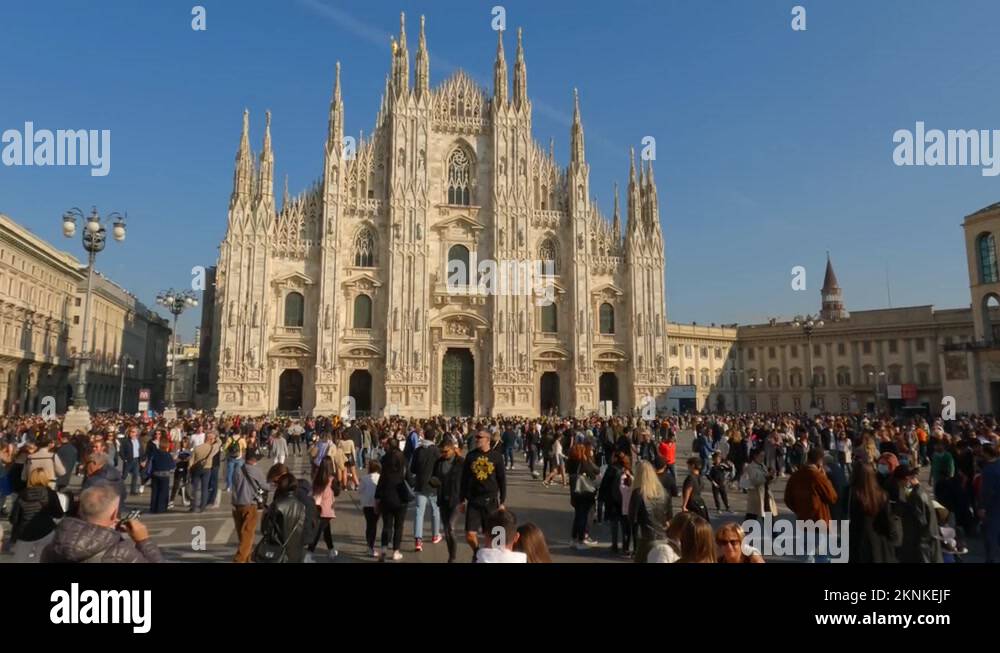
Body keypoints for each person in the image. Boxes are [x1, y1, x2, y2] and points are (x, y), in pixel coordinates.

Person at [41, 483, 163, 563]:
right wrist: (144, 541)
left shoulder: (53, 546)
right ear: (114, 514)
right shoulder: (122, 552)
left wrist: (107, 533)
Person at [460, 429, 507, 561]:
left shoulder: (496, 456)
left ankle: (491, 557)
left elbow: (502, 479)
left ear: (487, 439)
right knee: (469, 534)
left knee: (491, 534)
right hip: (474, 500)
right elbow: (464, 479)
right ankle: (477, 552)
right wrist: (461, 500)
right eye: (476, 437)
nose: (477, 439)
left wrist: (502, 502)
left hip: (490, 500)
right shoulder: (470, 456)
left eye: (480, 437)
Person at [785, 447, 839, 562]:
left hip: (803, 520)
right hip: (819, 520)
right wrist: (825, 478)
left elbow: (788, 499)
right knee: (821, 556)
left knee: (807, 556)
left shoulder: (796, 476)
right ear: (820, 461)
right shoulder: (818, 476)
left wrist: (799, 510)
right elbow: (832, 497)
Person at [8, 467, 64, 562]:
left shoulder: (22, 494)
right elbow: (59, 514)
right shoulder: (50, 494)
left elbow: (14, 519)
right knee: (41, 558)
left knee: (20, 559)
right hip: (46, 531)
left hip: (25, 533)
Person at [847, 461, 898, 563]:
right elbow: (889, 522)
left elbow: (852, 522)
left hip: (859, 543)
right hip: (880, 543)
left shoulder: (854, 495)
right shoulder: (883, 495)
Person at [255, 465, 307, 563]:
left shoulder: (277, 505)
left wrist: (265, 514)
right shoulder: (301, 505)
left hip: (279, 548)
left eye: (276, 482)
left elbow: (266, 529)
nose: (275, 484)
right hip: (296, 549)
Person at [892, 465, 943, 563]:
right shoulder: (920, 492)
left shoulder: (916, 496)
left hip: (922, 549)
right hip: (926, 545)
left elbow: (921, 525)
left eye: (899, 482)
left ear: (906, 479)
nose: (899, 485)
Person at [375, 439, 410, 561]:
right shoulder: (403, 461)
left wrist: (377, 498)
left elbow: (380, 483)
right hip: (401, 496)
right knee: (399, 526)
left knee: (387, 525)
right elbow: (410, 479)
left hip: (386, 496)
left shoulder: (385, 463)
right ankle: (396, 551)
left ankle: (384, 548)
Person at [629, 460, 671, 563]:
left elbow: (632, 518)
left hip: (646, 537)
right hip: (663, 536)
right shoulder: (663, 492)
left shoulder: (638, 493)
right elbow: (669, 516)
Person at [231, 450, 269, 563]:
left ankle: (247, 558)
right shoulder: (255, 470)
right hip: (250, 504)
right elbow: (265, 486)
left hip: (237, 504)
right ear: (253, 459)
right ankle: (240, 559)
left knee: (241, 535)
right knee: (248, 534)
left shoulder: (238, 469)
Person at [432, 436, 464, 563]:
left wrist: (466, 498)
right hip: (442, 498)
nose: (443, 454)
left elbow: (467, 480)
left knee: (450, 527)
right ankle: (450, 554)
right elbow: (434, 477)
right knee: (446, 530)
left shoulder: (461, 462)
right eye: (442, 451)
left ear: (452, 449)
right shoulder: (439, 462)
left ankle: (453, 558)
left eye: (446, 451)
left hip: (456, 499)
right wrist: (433, 482)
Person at [410, 430, 441, 552]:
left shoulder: (418, 450)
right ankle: (435, 535)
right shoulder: (436, 451)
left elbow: (412, 469)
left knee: (419, 512)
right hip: (433, 484)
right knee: (435, 510)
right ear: (434, 436)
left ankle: (418, 539)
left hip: (420, 483)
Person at [567, 442, 601, 550]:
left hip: (575, 492)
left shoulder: (571, 462)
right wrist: (588, 459)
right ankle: (581, 540)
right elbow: (593, 472)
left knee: (577, 516)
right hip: (584, 492)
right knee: (583, 516)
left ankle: (573, 539)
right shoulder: (582, 462)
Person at [599, 450, 632, 557]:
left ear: (616, 458)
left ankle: (614, 545)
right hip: (625, 500)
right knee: (624, 525)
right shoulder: (628, 470)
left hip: (612, 500)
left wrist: (601, 497)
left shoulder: (611, 469)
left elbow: (604, 484)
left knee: (614, 524)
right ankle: (625, 546)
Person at [309, 456, 339, 559]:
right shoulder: (332, 479)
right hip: (327, 509)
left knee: (326, 530)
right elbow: (337, 492)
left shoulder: (317, 477)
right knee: (318, 532)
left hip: (316, 507)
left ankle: (331, 550)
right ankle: (309, 553)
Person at [189, 432, 221, 513]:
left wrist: (189, 469)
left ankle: (193, 506)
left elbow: (191, 460)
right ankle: (202, 506)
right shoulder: (213, 448)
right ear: (210, 440)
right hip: (207, 468)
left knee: (195, 488)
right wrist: (216, 437)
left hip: (196, 469)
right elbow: (219, 443)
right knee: (205, 488)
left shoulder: (197, 448)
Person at [742, 447, 777, 522]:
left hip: (765, 494)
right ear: (755, 456)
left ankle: (773, 533)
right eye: (761, 456)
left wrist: (772, 476)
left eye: (763, 456)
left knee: (767, 515)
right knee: (751, 517)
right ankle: (741, 533)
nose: (762, 458)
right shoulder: (751, 467)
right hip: (756, 496)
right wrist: (767, 476)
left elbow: (767, 480)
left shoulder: (762, 465)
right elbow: (755, 480)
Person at [978, 445, 1000, 563]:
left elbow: (987, 491)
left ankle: (991, 559)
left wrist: (982, 507)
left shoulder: (988, 470)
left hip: (992, 506)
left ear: (987, 453)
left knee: (991, 534)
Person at [146, 436, 175, 514]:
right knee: (163, 492)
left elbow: (151, 463)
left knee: (155, 491)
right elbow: (172, 466)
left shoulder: (155, 453)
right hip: (165, 475)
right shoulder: (168, 455)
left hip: (155, 474)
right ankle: (161, 508)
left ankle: (153, 507)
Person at [359, 460, 381, 558]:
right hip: (376, 504)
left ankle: (369, 545)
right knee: (374, 525)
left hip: (366, 504)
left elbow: (360, 490)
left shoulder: (364, 478)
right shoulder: (380, 478)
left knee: (369, 524)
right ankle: (370, 547)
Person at [681, 456, 711, 522]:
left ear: (693, 465)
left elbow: (688, 491)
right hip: (699, 501)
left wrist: (684, 505)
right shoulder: (700, 477)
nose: (688, 467)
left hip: (691, 503)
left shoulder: (690, 478)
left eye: (688, 465)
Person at [169, 436, 192, 509]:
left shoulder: (189, 451)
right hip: (178, 469)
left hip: (186, 469)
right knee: (176, 485)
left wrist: (187, 459)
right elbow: (175, 459)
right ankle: (171, 501)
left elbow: (190, 459)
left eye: (185, 442)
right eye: (182, 442)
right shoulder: (178, 450)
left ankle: (186, 498)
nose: (183, 443)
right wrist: (178, 458)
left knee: (185, 484)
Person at [121, 427, 144, 496]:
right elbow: (121, 451)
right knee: (124, 476)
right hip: (128, 460)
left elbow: (141, 450)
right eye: (131, 432)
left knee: (135, 475)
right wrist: (124, 459)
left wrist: (142, 459)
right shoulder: (125, 441)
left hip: (136, 460)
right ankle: (118, 488)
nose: (133, 433)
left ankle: (133, 491)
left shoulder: (138, 440)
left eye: (134, 432)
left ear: (137, 433)